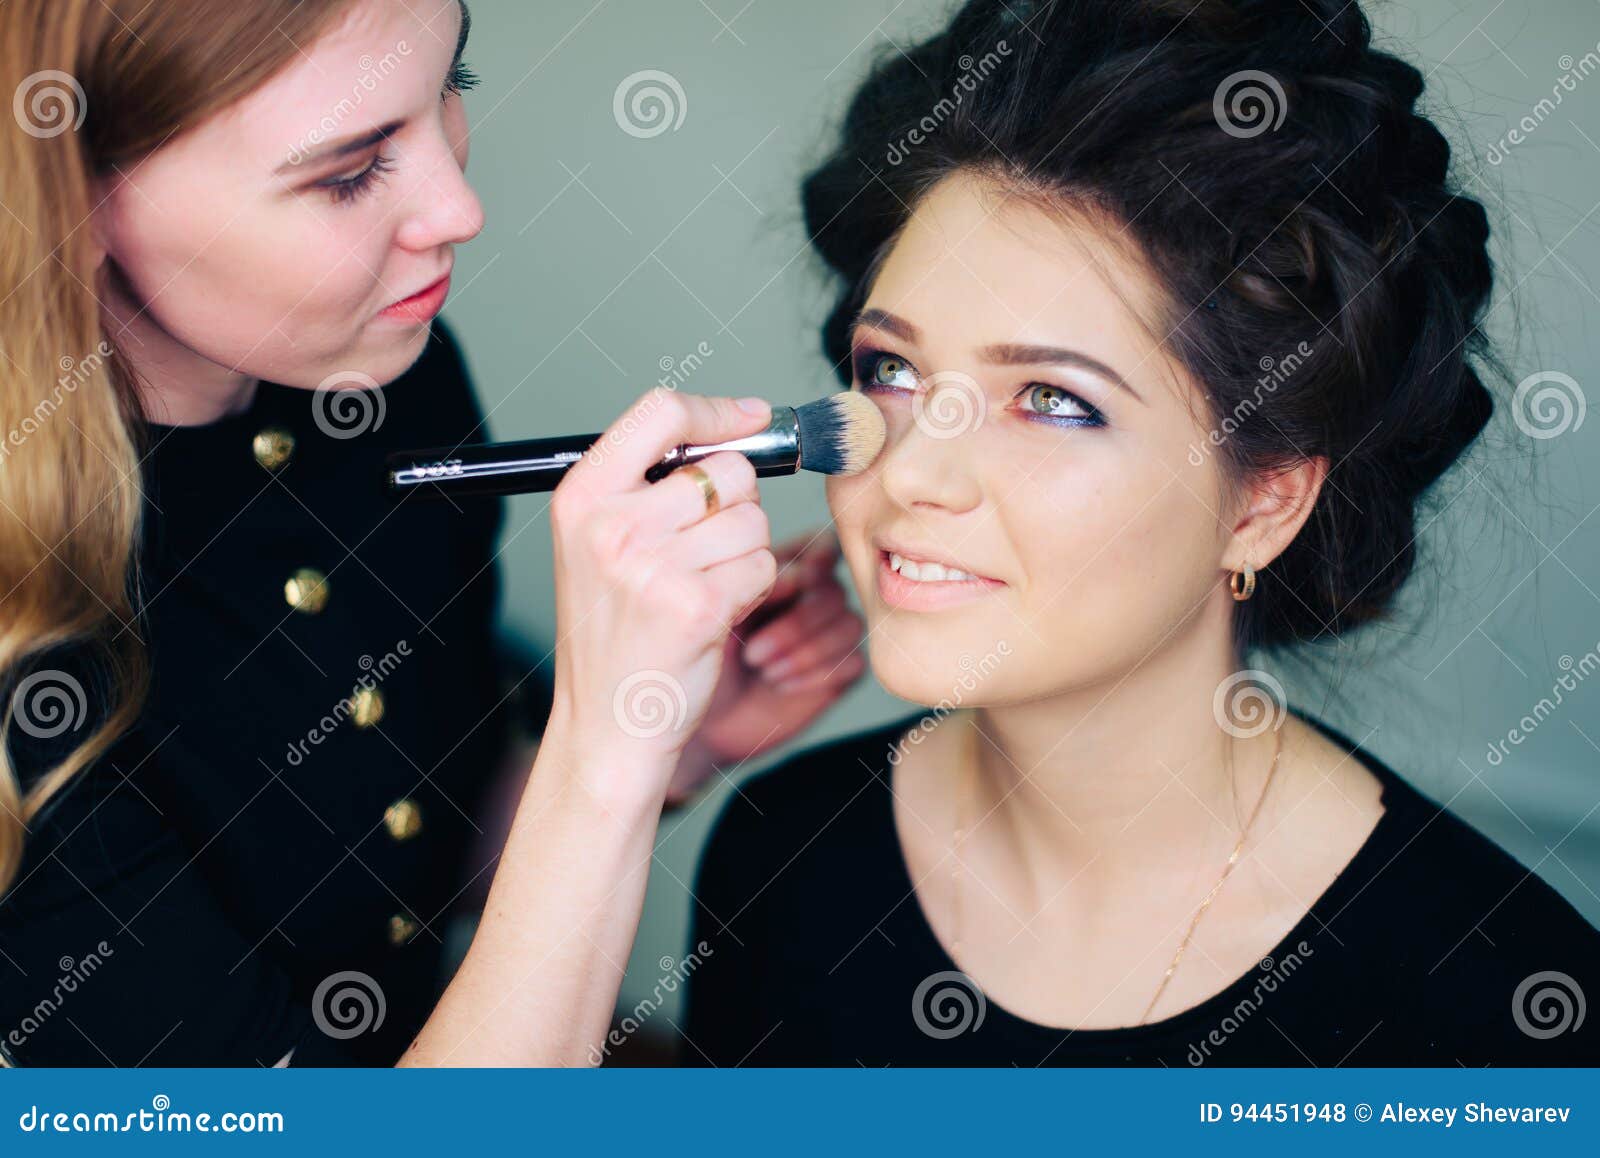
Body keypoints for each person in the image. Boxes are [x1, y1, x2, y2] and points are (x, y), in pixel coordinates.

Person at [684, 0, 1600, 1066]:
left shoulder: (1496, 1004)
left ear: (1263, 503)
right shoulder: (784, 850)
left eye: (1052, 401)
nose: (911, 471)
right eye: (891, 369)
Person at [0, 0, 864, 1066]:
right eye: (348, 173)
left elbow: (402, 875)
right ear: (70, 203)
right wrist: (603, 753)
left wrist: (678, 731)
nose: (461, 207)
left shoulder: (389, 392)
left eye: (454, 85)